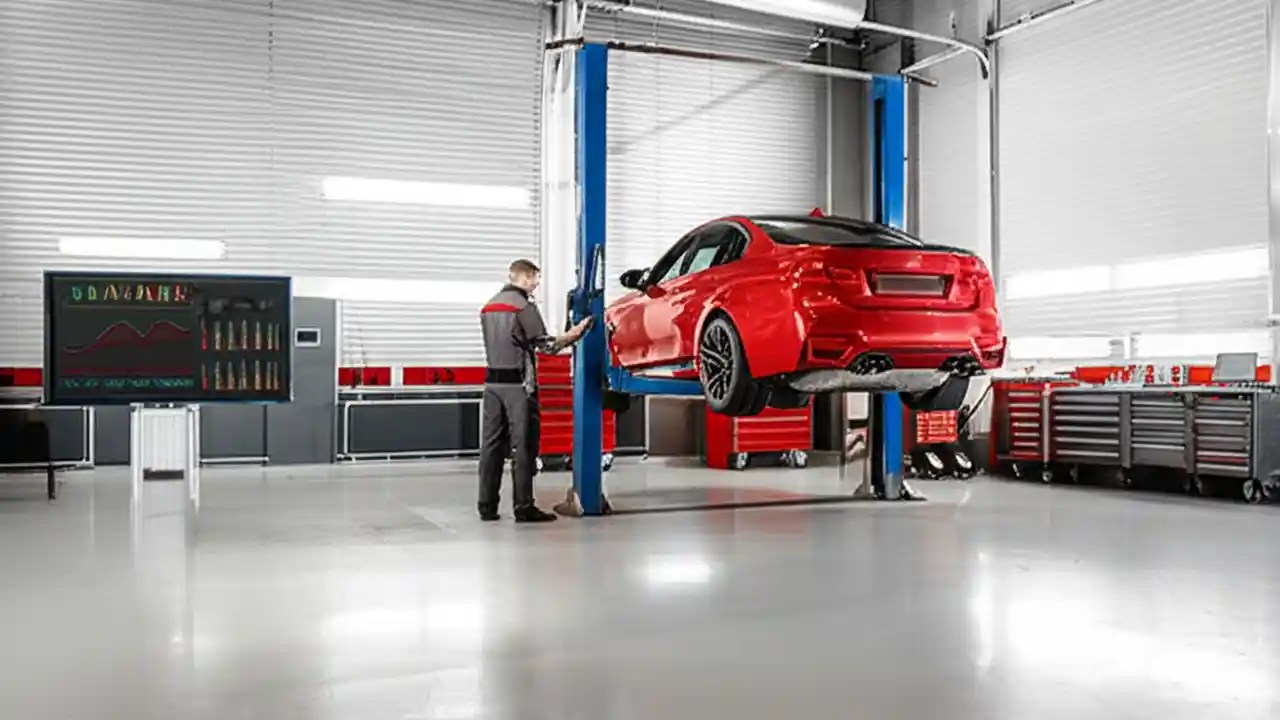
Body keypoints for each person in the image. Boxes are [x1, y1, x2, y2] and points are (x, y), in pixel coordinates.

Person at [478, 259, 592, 523]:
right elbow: (548, 346)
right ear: (526, 278)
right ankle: (524, 507)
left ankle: (487, 506)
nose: (537, 284)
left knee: (491, 447)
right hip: (519, 387)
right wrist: (576, 332)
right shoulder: (523, 307)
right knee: (524, 447)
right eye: (536, 279)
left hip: (492, 386)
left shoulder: (489, 307)